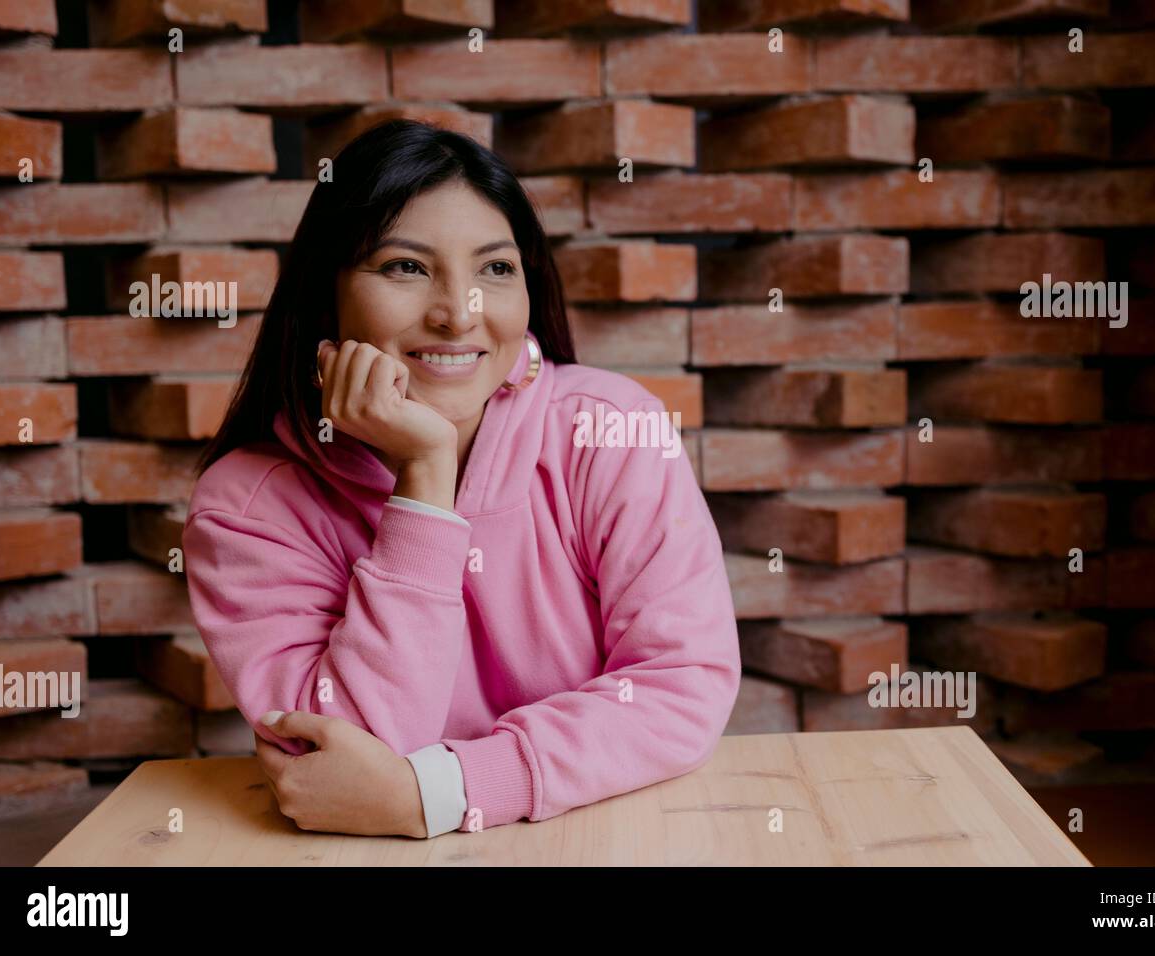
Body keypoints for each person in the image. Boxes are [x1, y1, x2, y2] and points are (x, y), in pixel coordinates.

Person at [181, 119, 742, 838]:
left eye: (495, 270)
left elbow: (681, 687)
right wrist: (425, 475)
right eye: (405, 267)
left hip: (611, 838)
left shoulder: (607, 431)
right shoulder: (246, 508)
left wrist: (442, 792)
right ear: (327, 298)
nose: (457, 315)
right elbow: (336, 767)